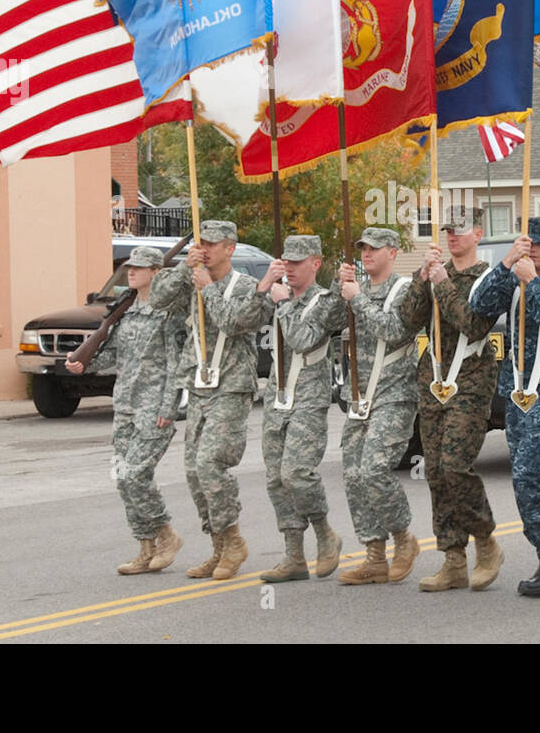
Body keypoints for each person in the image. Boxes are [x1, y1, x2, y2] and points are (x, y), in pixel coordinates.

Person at [393, 206, 503, 592]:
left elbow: (473, 323)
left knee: (456, 465)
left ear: (477, 232)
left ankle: (486, 541)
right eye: (447, 231)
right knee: (436, 471)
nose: (451, 237)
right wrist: (423, 279)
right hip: (433, 378)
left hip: (471, 378)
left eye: (459, 230)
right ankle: (453, 557)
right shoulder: (436, 271)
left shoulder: (487, 277)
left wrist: (441, 281)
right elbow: (408, 319)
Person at [471, 216, 540, 597]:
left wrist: (532, 280)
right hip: (518, 395)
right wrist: (505, 266)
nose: (532, 248)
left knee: (533, 470)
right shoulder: (514, 280)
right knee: (523, 477)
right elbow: (479, 305)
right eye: (527, 242)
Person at [149, 221, 265, 580]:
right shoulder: (192, 283)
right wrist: (185, 268)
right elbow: (157, 298)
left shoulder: (245, 286)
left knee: (211, 464)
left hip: (231, 386)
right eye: (201, 243)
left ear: (230, 248)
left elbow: (235, 322)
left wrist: (209, 289)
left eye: (213, 244)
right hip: (200, 387)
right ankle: (218, 545)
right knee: (194, 473)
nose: (206, 249)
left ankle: (234, 542)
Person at [65, 245, 186, 575]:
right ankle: (145, 548)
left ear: (156, 273)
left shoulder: (168, 314)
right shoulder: (126, 311)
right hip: (126, 405)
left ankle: (166, 535)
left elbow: (177, 366)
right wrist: (84, 363)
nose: (130, 272)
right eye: (129, 267)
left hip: (153, 406)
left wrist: (168, 407)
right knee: (122, 477)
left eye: (139, 267)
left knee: (136, 474)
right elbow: (112, 357)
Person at [255, 235, 348, 582]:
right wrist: (265, 287)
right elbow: (244, 320)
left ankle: (326, 534)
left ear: (316, 263)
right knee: (276, 479)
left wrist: (284, 304)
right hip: (277, 398)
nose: (290, 269)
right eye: (286, 262)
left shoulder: (324, 302)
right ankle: (294, 555)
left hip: (309, 398)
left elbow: (303, 340)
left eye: (297, 262)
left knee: (297, 473)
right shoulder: (277, 295)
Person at [334, 227, 422, 585]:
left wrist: (357, 300)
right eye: (363, 249)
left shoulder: (404, 290)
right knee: (353, 474)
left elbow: (394, 330)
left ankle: (404, 538)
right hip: (360, 397)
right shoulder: (355, 288)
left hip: (394, 393)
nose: (367, 254)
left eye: (375, 249)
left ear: (393, 253)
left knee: (374, 468)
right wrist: (337, 288)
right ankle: (373, 553)